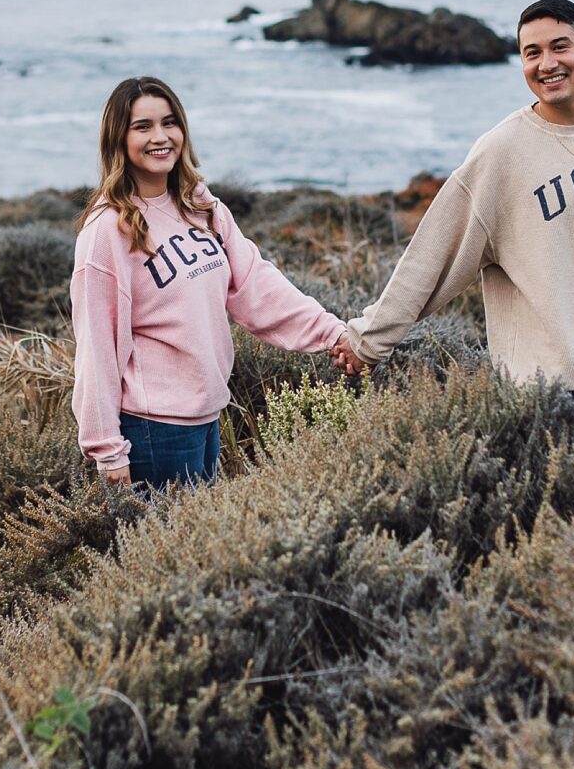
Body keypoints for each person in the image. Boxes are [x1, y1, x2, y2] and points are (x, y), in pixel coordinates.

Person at [337, 0, 574, 429]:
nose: (547, 64)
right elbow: (430, 259)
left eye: (560, 47)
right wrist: (368, 341)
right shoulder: (501, 154)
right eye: (532, 53)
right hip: (559, 395)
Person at [71, 75, 359, 488]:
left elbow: (256, 286)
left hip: (206, 417)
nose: (161, 137)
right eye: (143, 126)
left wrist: (333, 334)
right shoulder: (107, 232)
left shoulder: (200, 206)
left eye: (170, 122)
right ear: (118, 138)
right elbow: (97, 347)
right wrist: (106, 449)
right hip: (153, 431)